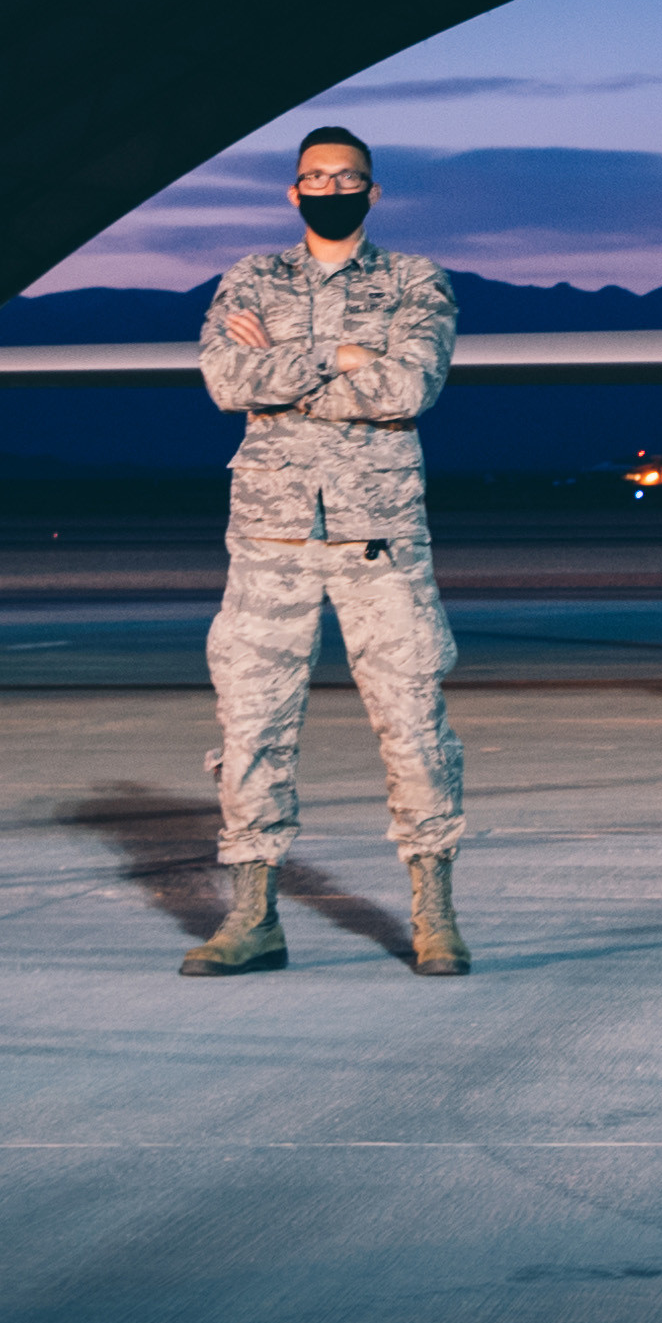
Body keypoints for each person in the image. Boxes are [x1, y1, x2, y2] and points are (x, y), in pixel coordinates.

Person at [182, 127, 468, 978]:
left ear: (372, 192)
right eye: (314, 176)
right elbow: (226, 383)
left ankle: (435, 918)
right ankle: (253, 920)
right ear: (291, 191)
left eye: (346, 178)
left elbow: (410, 387)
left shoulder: (416, 279)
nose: (329, 187)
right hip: (270, 538)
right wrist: (339, 357)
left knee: (414, 724)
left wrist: (285, 360)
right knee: (252, 725)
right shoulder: (250, 278)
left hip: (379, 538)